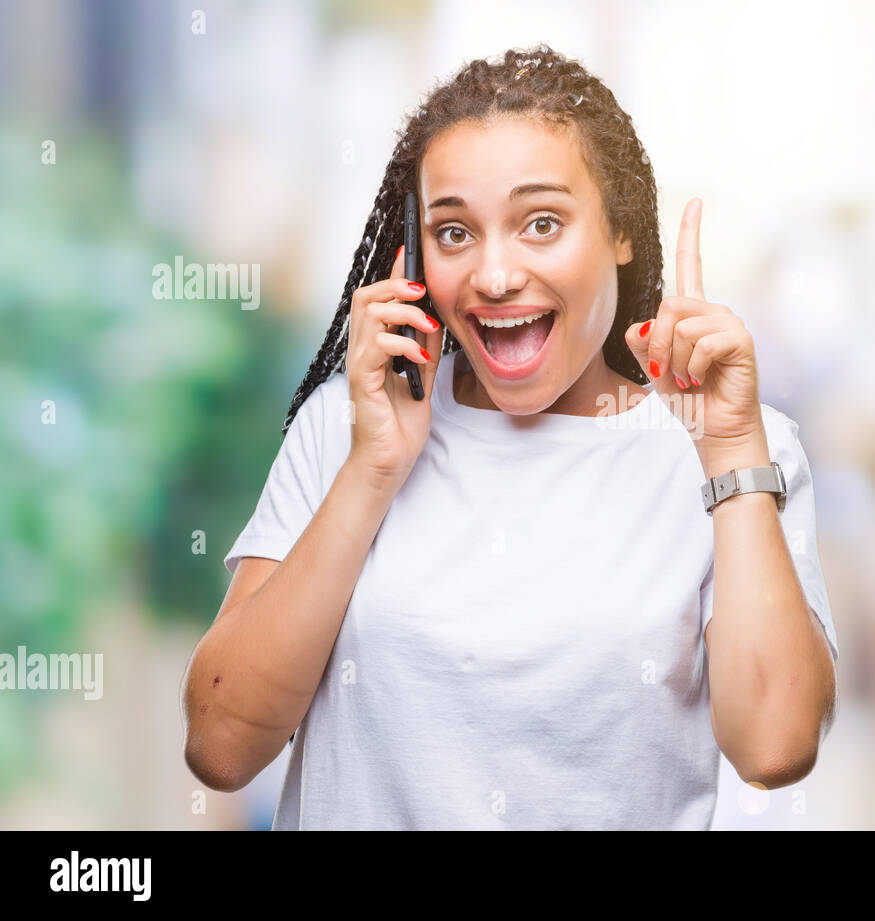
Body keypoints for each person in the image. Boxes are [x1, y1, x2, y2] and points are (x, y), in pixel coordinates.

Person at [182, 44, 839, 830]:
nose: (494, 275)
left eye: (541, 223)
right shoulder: (349, 426)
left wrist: (729, 448)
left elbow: (775, 746)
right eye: (454, 232)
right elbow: (220, 744)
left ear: (621, 232)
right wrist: (370, 470)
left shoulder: (735, 443)